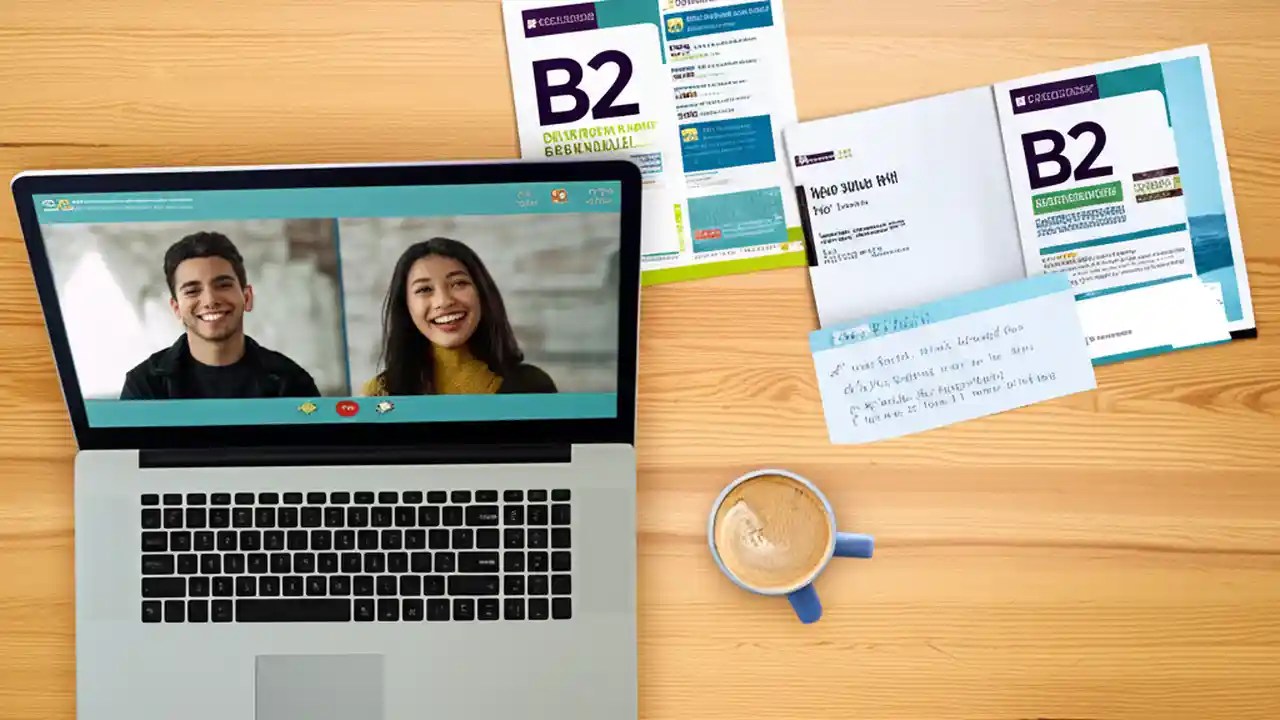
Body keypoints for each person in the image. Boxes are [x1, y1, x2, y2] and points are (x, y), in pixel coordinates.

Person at [120, 231, 321, 400]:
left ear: (247, 297)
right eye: (192, 291)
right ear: (176, 309)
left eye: (223, 285)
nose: (210, 300)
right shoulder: (145, 386)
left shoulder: (291, 382)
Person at [362, 237, 556, 396]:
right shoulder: (381, 394)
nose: (444, 301)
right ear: (406, 306)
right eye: (424, 289)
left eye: (458, 284)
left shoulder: (533, 386)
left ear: (481, 292)